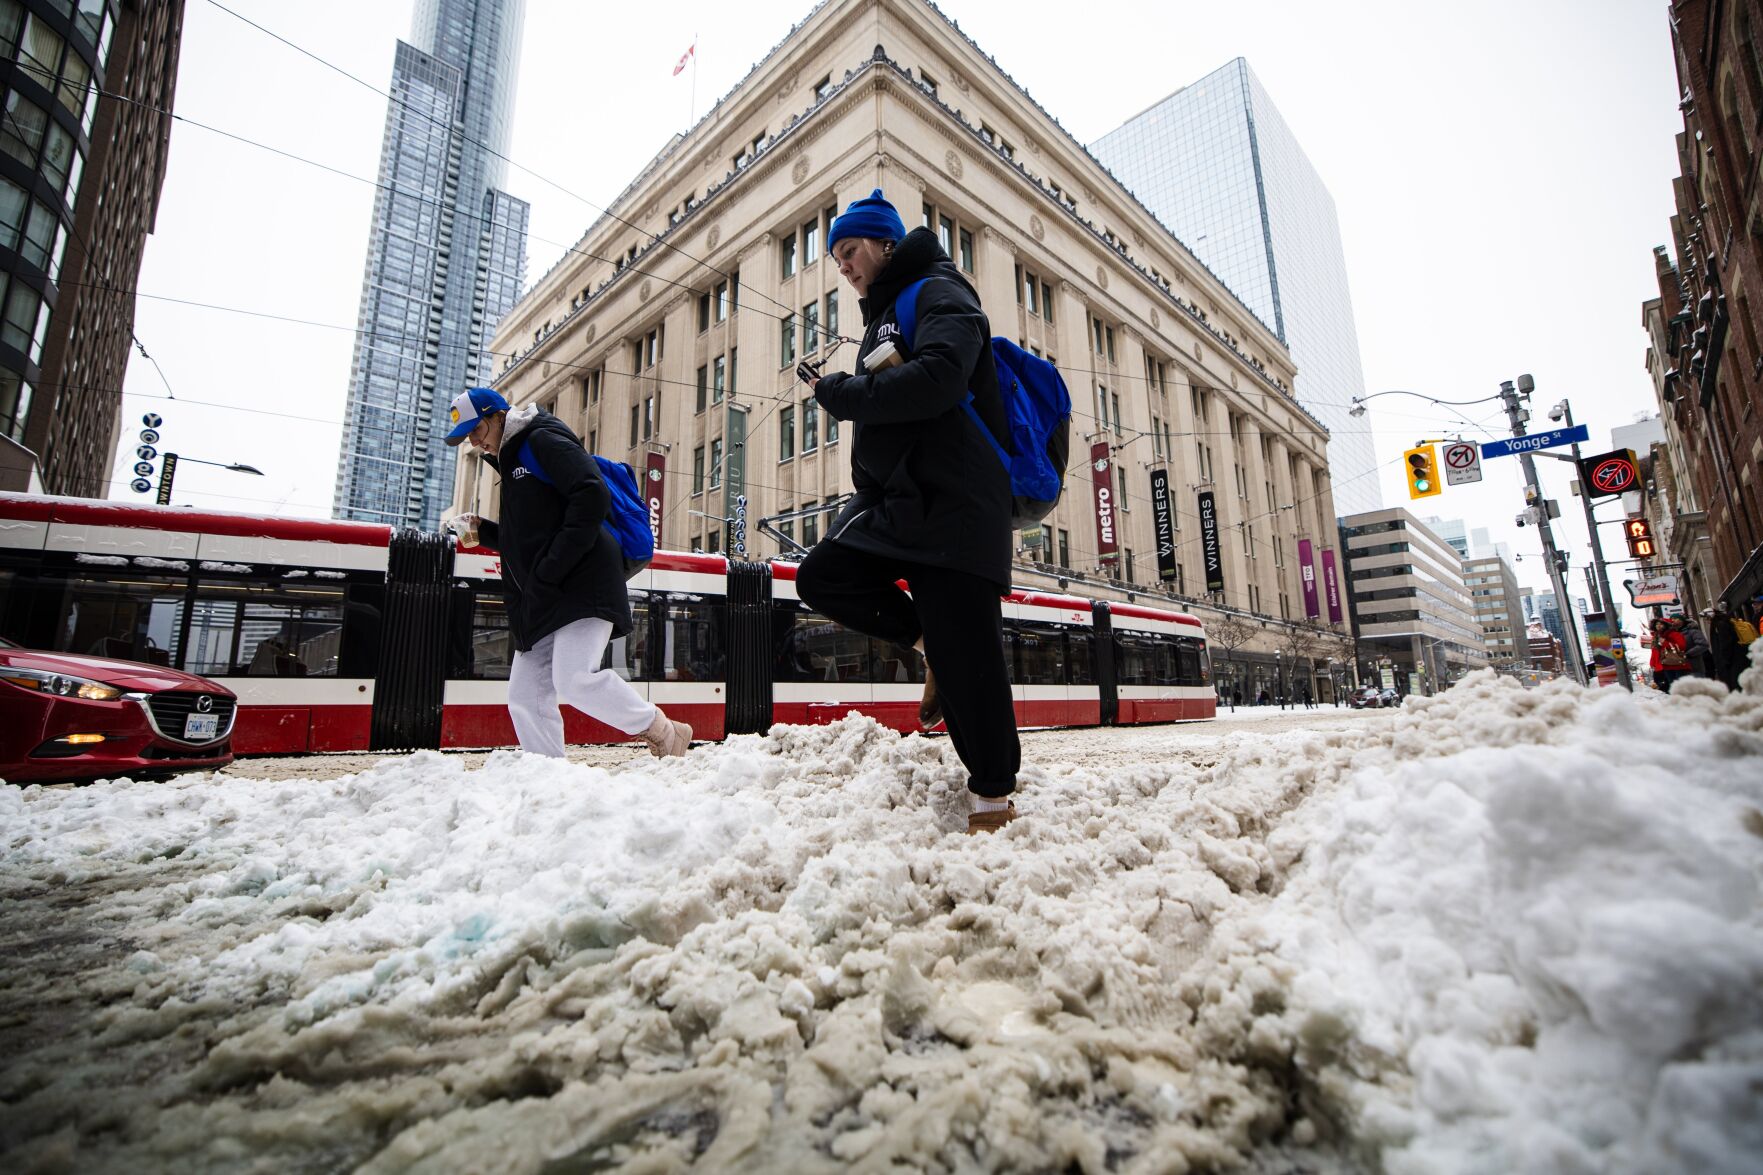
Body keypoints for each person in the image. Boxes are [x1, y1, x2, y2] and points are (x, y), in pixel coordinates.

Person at [793, 189, 1021, 834]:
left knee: (970, 653)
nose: (842, 264)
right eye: (835, 255)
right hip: (903, 501)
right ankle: (929, 649)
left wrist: (843, 393)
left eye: (850, 249)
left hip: (956, 503)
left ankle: (993, 799)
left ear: (887, 245)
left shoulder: (940, 292)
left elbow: (941, 379)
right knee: (823, 575)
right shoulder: (888, 311)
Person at [443, 386, 691, 758]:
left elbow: (591, 494)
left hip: (581, 580)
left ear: (497, 416)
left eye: (476, 430)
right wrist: (489, 533)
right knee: (525, 695)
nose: (476, 443)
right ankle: (548, 779)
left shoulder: (539, 438)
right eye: (468, 438)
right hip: (545, 593)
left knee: (574, 680)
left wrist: (549, 569)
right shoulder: (512, 465)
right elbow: (538, 533)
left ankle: (664, 732)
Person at [1707, 603, 1744, 691]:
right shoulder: (1724, 622)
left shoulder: (1719, 625)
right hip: (1734, 658)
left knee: (1733, 683)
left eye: (1707, 618)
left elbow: (1725, 643)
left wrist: (1725, 660)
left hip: (1730, 660)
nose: (1707, 621)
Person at [1649, 616, 1691, 693]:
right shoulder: (1656, 637)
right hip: (1665, 665)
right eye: (1657, 624)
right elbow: (1655, 651)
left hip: (1678, 664)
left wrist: (1665, 643)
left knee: (1681, 686)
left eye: (1661, 624)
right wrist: (1653, 662)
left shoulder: (1674, 634)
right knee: (1672, 687)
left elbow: (1681, 646)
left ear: (1666, 625)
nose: (1658, 625)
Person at [1678, 613, 1713, 679]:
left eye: (1676, 619)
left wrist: (1687, 654)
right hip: (1682, 667)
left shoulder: (1692, 631)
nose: (1673, 621)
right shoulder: (1675, 634)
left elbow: (1703, 645)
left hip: (1696, 665)